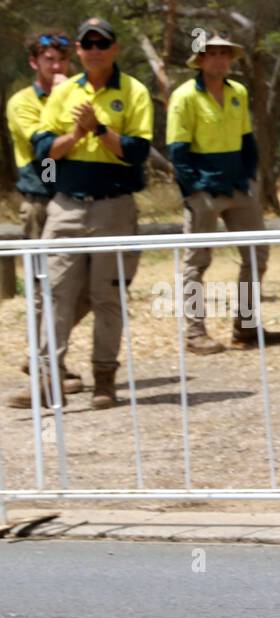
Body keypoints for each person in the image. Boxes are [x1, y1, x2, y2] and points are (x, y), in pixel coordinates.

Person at [17, 17, 152, 411]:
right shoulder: (64, 94)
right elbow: (44, 150)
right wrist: (75, 135)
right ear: (79, 51)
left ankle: (104, 380)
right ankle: (47, 378)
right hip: (67, 206)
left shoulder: (134, 91)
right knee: (55, 293)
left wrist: (98, 129)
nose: (94, 49)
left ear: (114, 49)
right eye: (87, 44)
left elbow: (137, 152)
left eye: (101, 43)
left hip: (115, 207)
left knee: (107, 296)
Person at [166, 29, 280, 355]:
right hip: (203, 189)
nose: (219, 59)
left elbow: (248, 141)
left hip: (239, 186)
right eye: (212, 53)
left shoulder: (238, 93)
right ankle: (194, 333)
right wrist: (192, 191)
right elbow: (177, 149)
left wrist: (249, 176)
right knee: (196, 261)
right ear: (201, 59)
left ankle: (245, 326)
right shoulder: (185, 96)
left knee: (256, 254)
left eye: (224, 54)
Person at [5, 27, 91, 407]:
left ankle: (43, 356)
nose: (57, 67)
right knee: (46, 288)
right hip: (43, 196)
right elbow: (48, 157)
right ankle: (47, 367)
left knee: (90, 286)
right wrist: (70, 124)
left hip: (76, 198)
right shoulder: (23, 101)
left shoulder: (78, 91)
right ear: (34, 63)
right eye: (49, 60)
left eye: (62, 60)